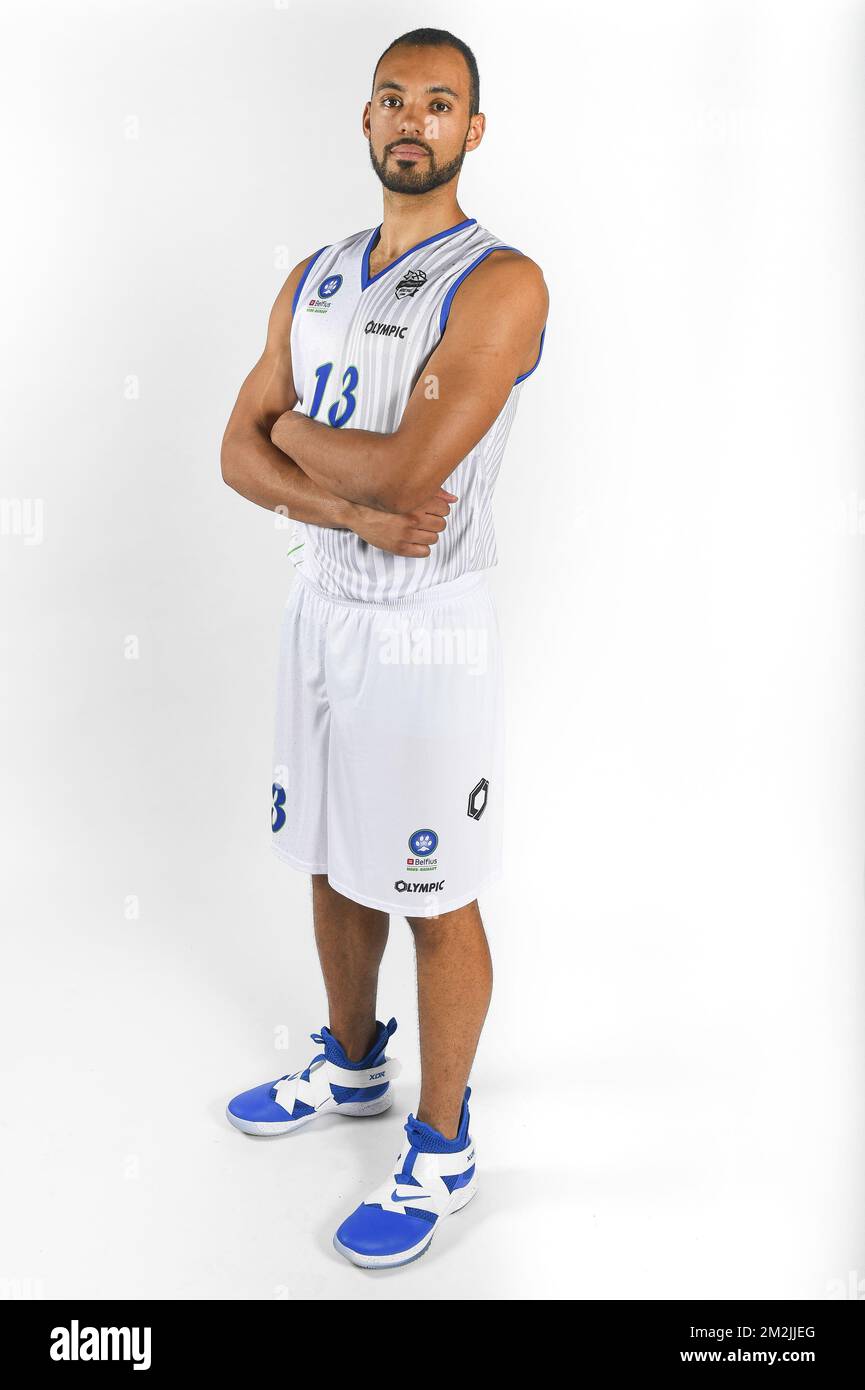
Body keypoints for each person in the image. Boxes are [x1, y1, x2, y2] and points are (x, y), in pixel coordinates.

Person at [220, 26, 547, 1269]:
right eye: (393, 99)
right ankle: (353, 1063)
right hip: (324, 603)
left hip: (427, 632)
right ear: (366, 122)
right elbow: (230, 452)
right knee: (324, 850)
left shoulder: (503, 279)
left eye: (441, 103)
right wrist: (347, 502)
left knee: (430, 887)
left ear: (473, 130)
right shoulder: (312, 274)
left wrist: (291, 439)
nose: (414, 119)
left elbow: (416, 469)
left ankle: (446, 1144)